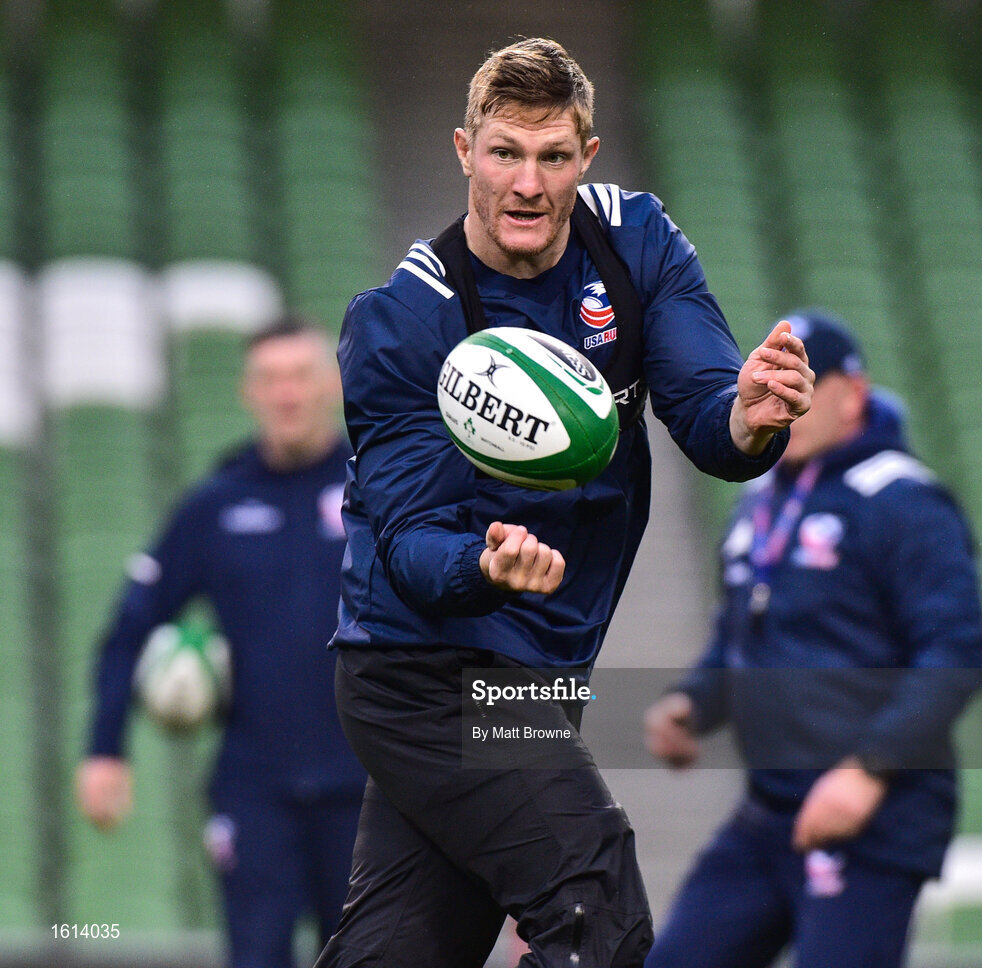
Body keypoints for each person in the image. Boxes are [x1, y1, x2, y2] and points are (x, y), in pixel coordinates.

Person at [312, 39, 812, 968]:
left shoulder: (637, 241)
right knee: (598, 917)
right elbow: (407, 542)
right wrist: (484, 566)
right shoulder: (402, 319)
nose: (528, 183)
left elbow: (706, 406)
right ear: (466, 151)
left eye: (552, 156)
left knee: (399, 952)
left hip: (543, 667)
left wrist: (748, 420)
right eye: (505, 152)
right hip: (423, 674)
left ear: (587, 154)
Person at [644, 310, 982, 968]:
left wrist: (867, 772)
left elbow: (955, 654)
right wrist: (693, 702)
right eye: (769, 382)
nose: (782, 399)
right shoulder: (762, 500)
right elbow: (739, 633)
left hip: (872, 813)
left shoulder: (903, 502)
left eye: (800, 383)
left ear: (851, 394)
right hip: (772, 809)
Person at [76, 318, 367, 968]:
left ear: (328, 385)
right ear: (247, 392)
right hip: (253, 791)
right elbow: (128, 629)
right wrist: (104, 749)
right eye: (269, 379)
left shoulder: (373, 491)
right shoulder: (215, 504)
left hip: (364, 785)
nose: (286, 393)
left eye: (299, 376)